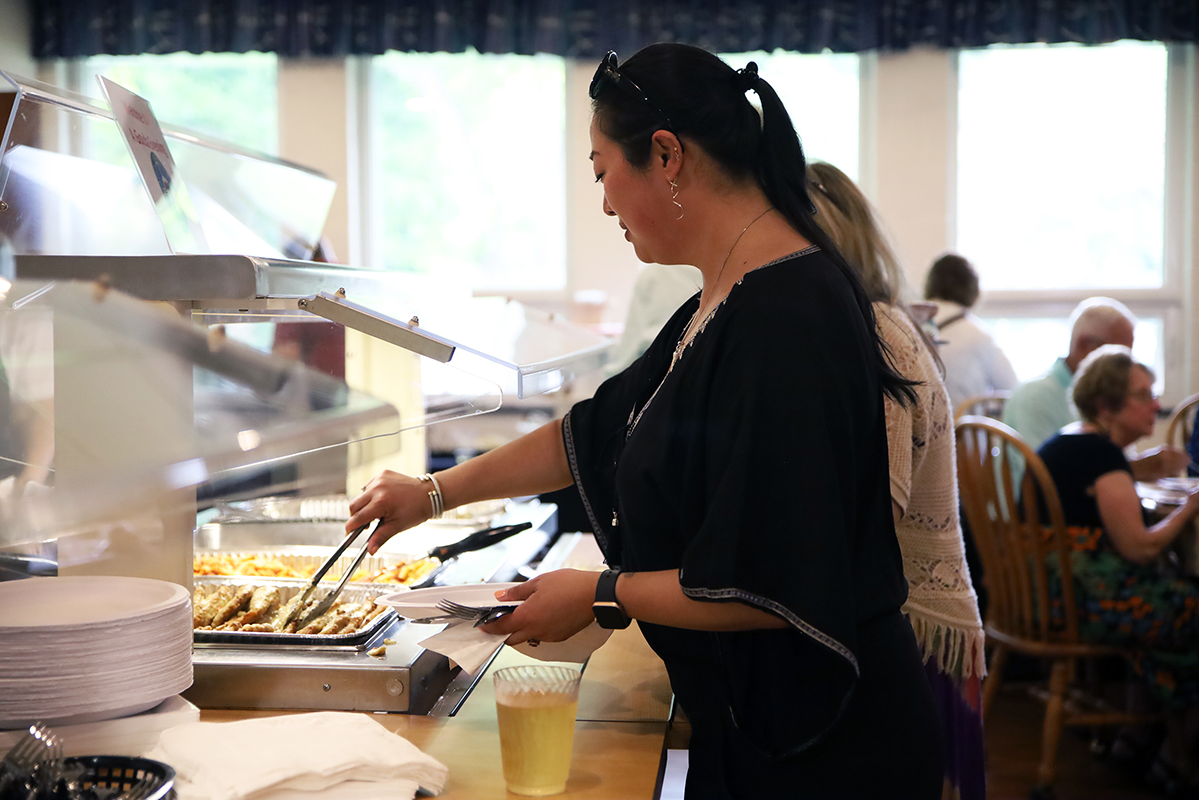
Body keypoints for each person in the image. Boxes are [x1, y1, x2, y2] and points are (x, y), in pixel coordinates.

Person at [349, 43, 944, 799]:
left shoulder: (791, 314)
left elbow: (770, 582)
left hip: (830, 751)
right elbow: (593, 432)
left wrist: (602, 592)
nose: (603, 203)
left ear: (666, 155)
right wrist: (432, 493)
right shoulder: (723, 297)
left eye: (603, 173)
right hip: (759, 727)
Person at [808, 161, 986, 800]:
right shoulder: (884, 319)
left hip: (913, 630)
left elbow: (872, 510)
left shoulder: (875, 332)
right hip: (916, 621)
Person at [1036, 345, 1199, 789]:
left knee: (1172, 597)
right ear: (1107, 405)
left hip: (1050, 595)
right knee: (1188, 604)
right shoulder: (1100, 457)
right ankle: (1175, 750)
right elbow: (1140, 550)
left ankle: (1141, 739)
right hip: (1082, 604)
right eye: (1143, 395)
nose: (1155, 405)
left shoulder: (1073, 442)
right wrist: (1190, 507)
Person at [1003, 297, 1186, 485]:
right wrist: (1132, 468)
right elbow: (1045, 481)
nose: (1128, 367)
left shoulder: (1106, 395)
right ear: (1084, 345)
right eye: (1119, 356)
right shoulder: (1036, 397)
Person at [922, 253, 1017, 411]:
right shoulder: (979, 335)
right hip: (961, 432)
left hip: (917, 431)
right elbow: (1013, 389)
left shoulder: (911, 325)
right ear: (972, 288)